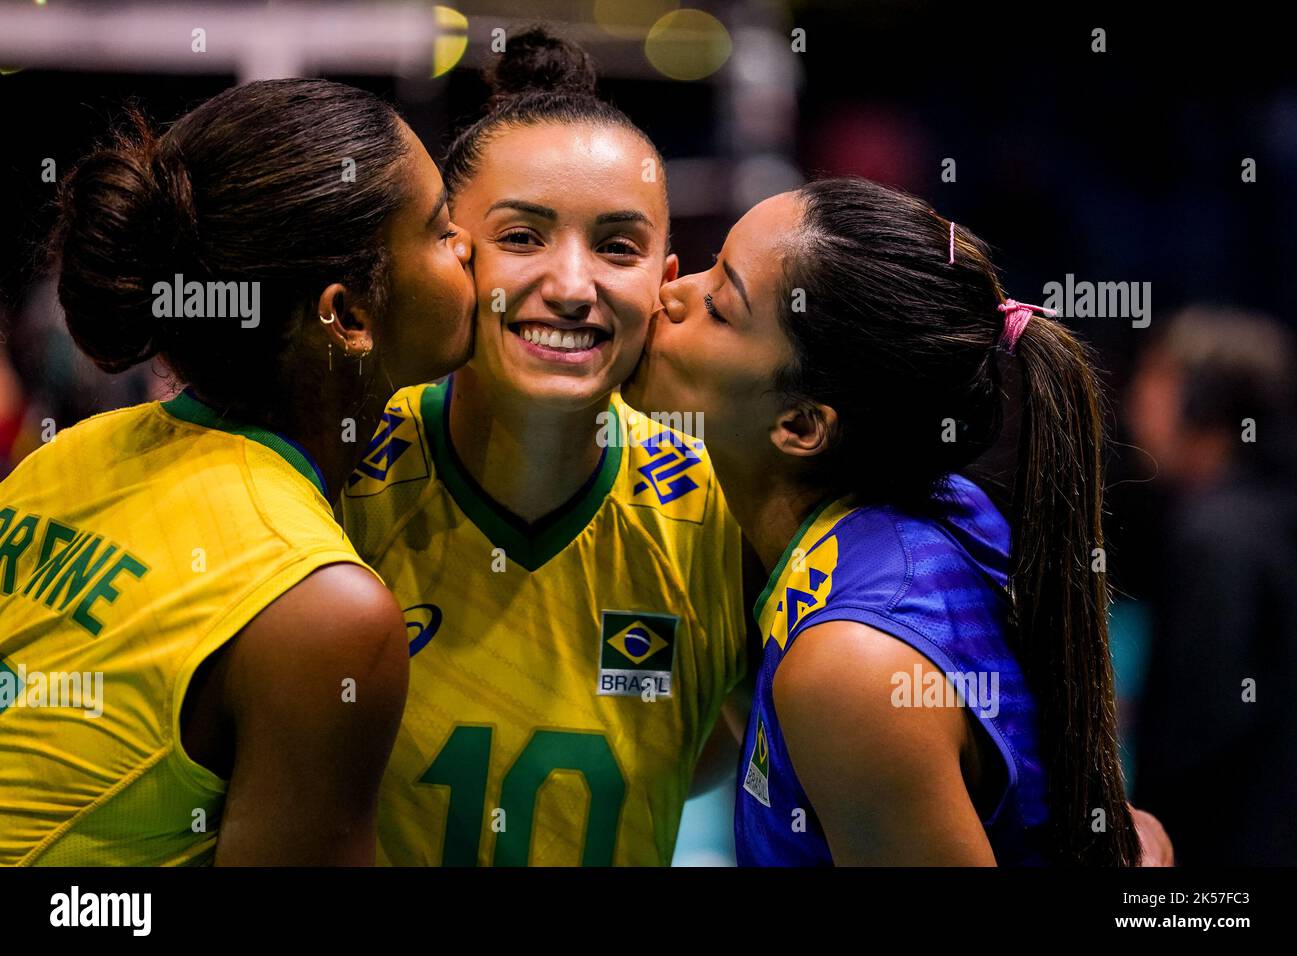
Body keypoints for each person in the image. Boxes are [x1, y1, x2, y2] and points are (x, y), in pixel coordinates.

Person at [0, 78, 476, 865]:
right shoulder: (323, 609)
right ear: (349, 317)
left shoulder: (69, 453)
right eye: (440, 230)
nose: (470, 247)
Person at [624, 178, 1142, 864]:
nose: (670, 292)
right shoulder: (930, 515)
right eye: (710, 264)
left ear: (802, 425)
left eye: (719, 305)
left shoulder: (852, 665)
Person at [339, 29, 751, 866]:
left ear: (665, 281)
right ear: (455, 259)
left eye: (617, 247)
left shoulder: (726, 515)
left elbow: (711, 756)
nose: (570, 288)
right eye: (521, 237)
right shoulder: (341, 477)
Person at [1128, 306, 1297, 864]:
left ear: (1204, 397)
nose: (1138, 396)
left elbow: (1206, 723)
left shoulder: (1215, 535)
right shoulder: (1267, 511)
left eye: (1158, 377)